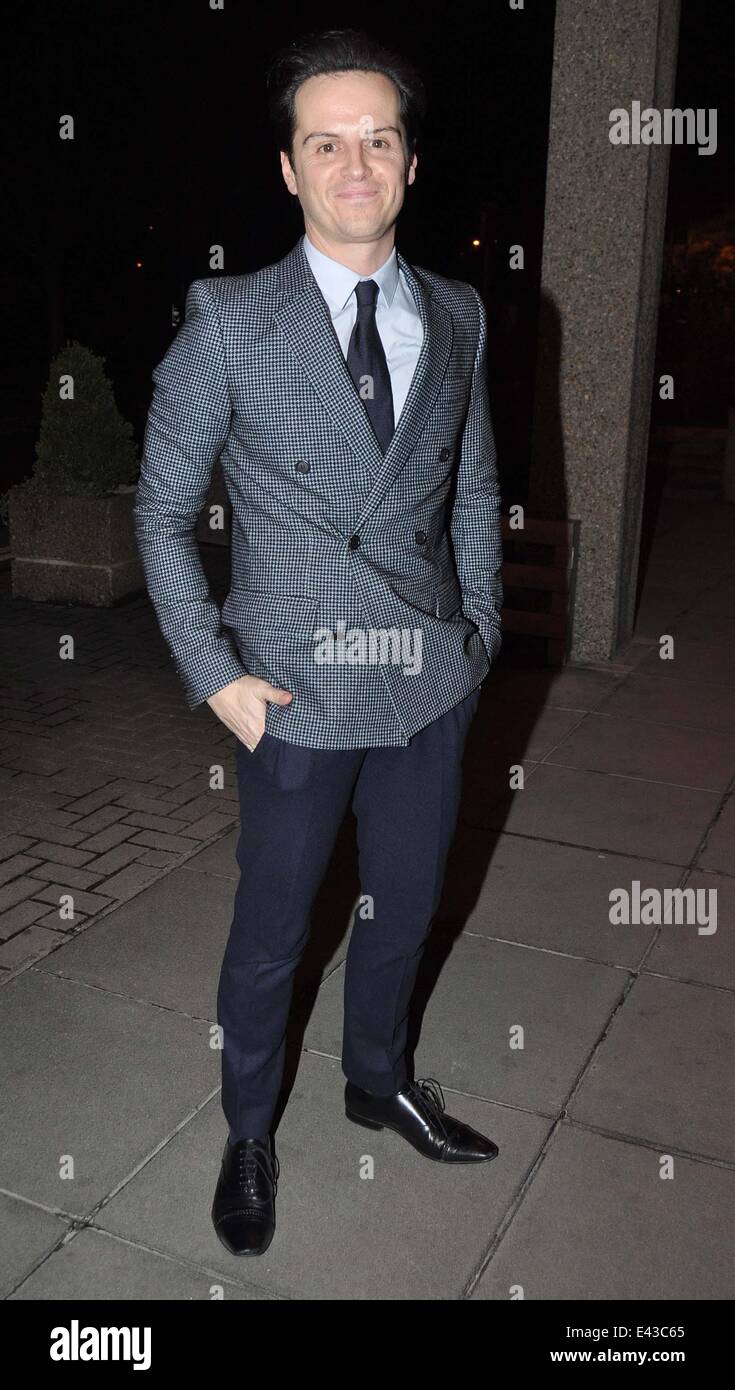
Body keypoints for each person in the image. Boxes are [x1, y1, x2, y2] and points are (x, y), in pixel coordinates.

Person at [134, 26, 504, 1259]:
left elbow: (469, 487)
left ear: (409, 161)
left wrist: (482, 629)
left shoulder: (457, 312)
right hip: (292, 692)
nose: (356, 163)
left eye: (379, 139)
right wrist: (218, 677)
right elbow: (161, 511)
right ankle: (250, 1128)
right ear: (290, 169)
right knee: (276, 929)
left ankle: (378, 1075)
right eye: (326, 142)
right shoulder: (231, 319)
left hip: (426, 684)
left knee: (404, 908)